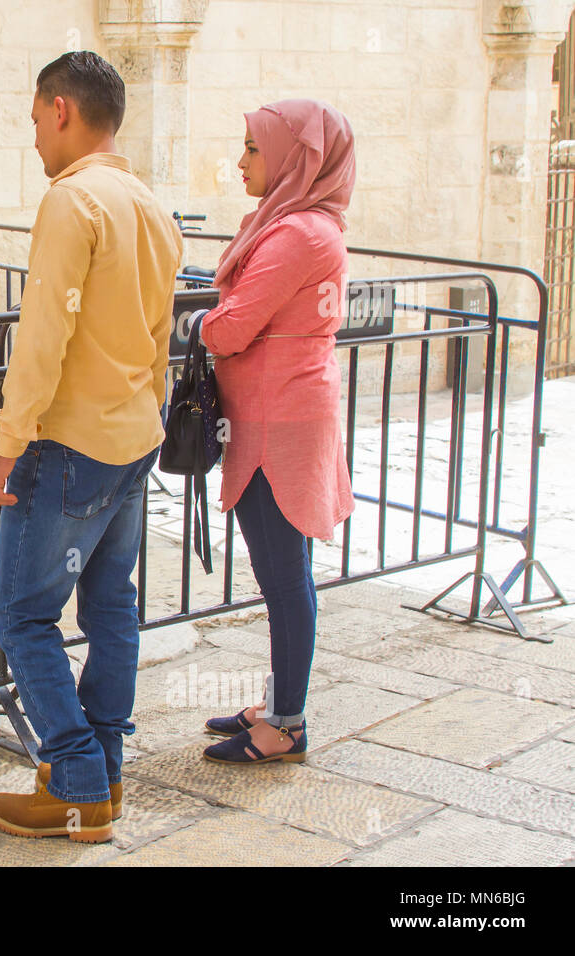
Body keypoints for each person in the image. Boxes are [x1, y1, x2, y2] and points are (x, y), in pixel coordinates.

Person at [0, 52, 183, 842]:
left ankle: (74, 779)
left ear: (60, 109)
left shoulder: (72, 203)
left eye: (33, 120)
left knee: (23, 618)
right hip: (131, 439)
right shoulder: (148, 204)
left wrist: (7, 442)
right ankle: (105, 772)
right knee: (110, 607)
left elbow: (41, 338)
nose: (32, 138)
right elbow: (162, 338)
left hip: (67, 445)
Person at [199, 99, 357, 765]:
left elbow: (232, 328)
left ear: (298, 158)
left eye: (254, 149)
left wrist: (202, 325)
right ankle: (281, 700)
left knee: (283, 574)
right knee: (289, 571)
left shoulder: (298, 235)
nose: (241, 162)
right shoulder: (301, 225)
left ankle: (285, 725)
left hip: (277, 422)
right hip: (284, 410)